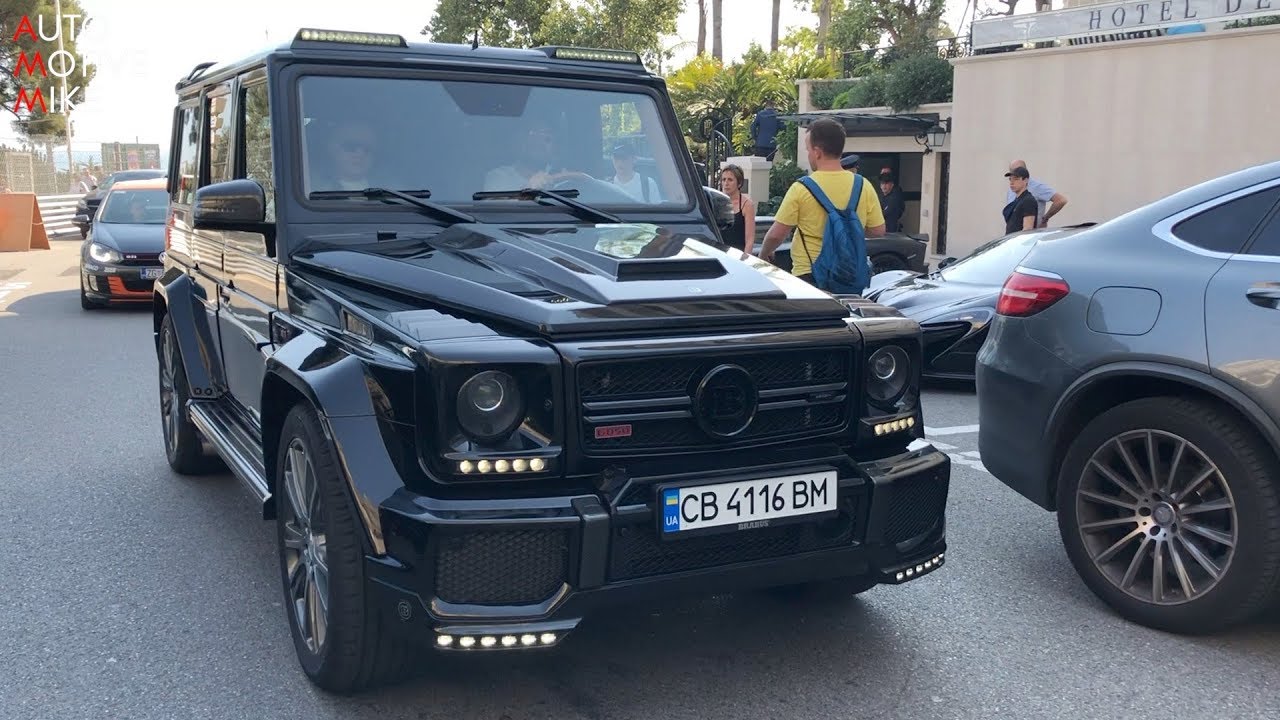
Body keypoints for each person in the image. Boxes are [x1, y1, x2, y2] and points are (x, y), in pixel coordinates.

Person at [759, 118, 885, 286]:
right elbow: (878, 230)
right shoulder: (863, 185)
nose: (808, 155)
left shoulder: (801, 188)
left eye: (808, 150)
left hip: (809, 275)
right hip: (848, 275)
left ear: (817, 152)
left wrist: (764, 254)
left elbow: (776, 235)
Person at [484, 122, 591, 191]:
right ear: (521, 143)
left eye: (547, 139)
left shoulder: (564, 175)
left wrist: (570, 176)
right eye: (533, 136)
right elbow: (493, 212)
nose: (539, 143)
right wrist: (529, 189)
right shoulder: (500, 176)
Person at [1005, 159, 1067, 227]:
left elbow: (1061, 200)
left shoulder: (1036, 187)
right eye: (1012, 171)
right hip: (1013, 231)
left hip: (1031, 231)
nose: (1014, 174)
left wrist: (1045, 218)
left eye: (1018, 171)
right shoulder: (1011, 189)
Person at [717, 164, 755, 254]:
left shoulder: (747, 205)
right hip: (720, 253)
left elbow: (749, 240)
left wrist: (744, 259)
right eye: (724, 179)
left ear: (739, 183)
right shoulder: (717, 202)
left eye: (730, 180)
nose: (726, 183)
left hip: (738, 255)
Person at [1004, 166, 1039, 234]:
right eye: (1010, 179)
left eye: (1016, 179)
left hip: (1019, 240)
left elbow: (1027, 229)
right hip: (1011, 239)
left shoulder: (1028, 201)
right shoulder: (1017, 200)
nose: (1011, 182)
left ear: (1026, 180)